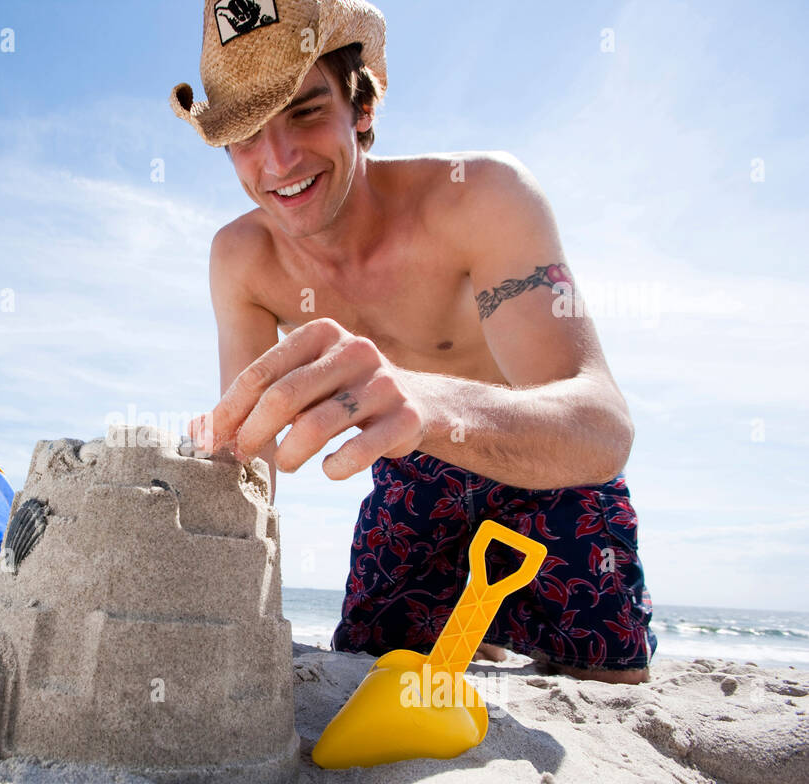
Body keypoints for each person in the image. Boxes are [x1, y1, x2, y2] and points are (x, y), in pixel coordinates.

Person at [174, 0, 655, 683]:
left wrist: (424, 401)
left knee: (607, 678)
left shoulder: (483, 196)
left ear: (360, 108)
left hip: (543, 459)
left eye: (307, 111)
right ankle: (474, 632)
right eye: (245, 132)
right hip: (413, 479)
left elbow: (604, 431)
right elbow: (250, 459)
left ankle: (497, 629)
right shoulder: (241, 258)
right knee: (372, 667)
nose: (277, 161)